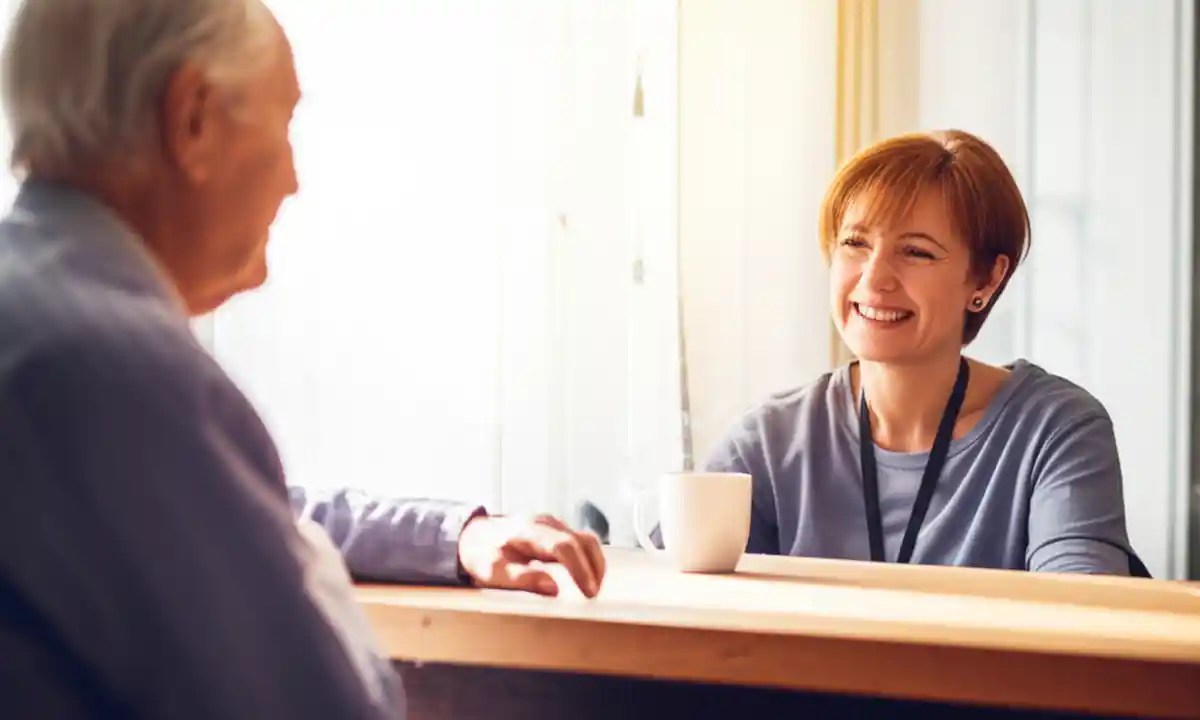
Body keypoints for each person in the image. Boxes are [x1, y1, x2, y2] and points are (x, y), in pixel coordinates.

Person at [0, 1, 603, 718]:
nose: (293, 179)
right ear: (191, 118)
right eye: (285, 124)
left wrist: (457, 536)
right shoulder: (116, 372)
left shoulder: (41, 322)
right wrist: (309, 563)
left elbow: (255, 506)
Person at [700, 130, 1140, 575]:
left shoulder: (1053, 431)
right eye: (855, 243)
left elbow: (1082, 616)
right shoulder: (770, 442)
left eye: (915, 252)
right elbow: (678, 605)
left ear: (985, 280)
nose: (874, 280)